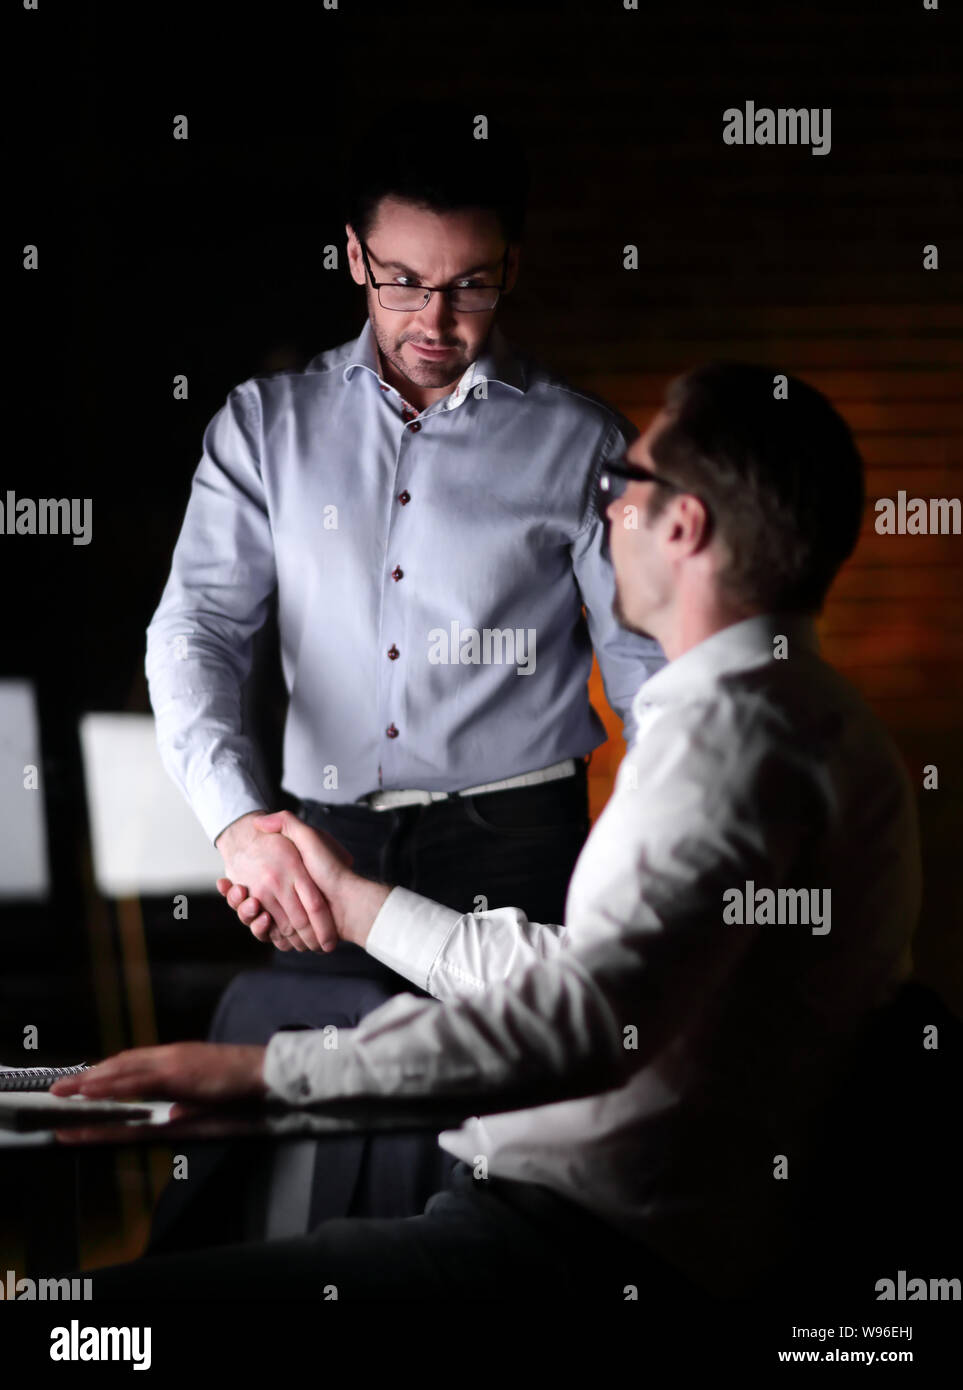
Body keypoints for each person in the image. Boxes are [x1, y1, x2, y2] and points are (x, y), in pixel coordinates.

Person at [57, 364, 920, 1300]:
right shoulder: (804, 715)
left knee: (85, 1321)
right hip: (587, 1222)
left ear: (681, 526)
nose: (603, 511)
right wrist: (352, 904)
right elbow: (589, 980)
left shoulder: (728, 742)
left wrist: (263, 1075)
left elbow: (586, 1024)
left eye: (616, 487)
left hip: (580, 1250)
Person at [143, 105, 664, 1227]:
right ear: (350, 255)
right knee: (307, 1131)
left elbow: (649, 679)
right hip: (320, 836)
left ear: (512, 268)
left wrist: (655, 865)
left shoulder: (582, 443)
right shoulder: (262, 428)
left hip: (519, 843)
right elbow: (195, 633)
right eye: (402, 280)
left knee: (495, 1143)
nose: (435, 319)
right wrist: (239, 823)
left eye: (471, 284)